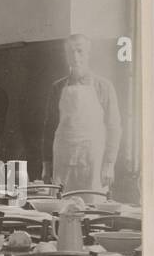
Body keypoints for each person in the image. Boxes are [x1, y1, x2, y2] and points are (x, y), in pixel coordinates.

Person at [42, 34, 122, 192]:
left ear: (88, 53)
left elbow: (114, 127)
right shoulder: (57, 87)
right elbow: (49, 128)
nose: (75, 56)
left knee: (92, 205)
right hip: (63, 158)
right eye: (70, 52)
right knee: (62, 204)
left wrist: (109, 164)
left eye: (80, 51)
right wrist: (46, 164)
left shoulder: (104, 86)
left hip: (93, 159)